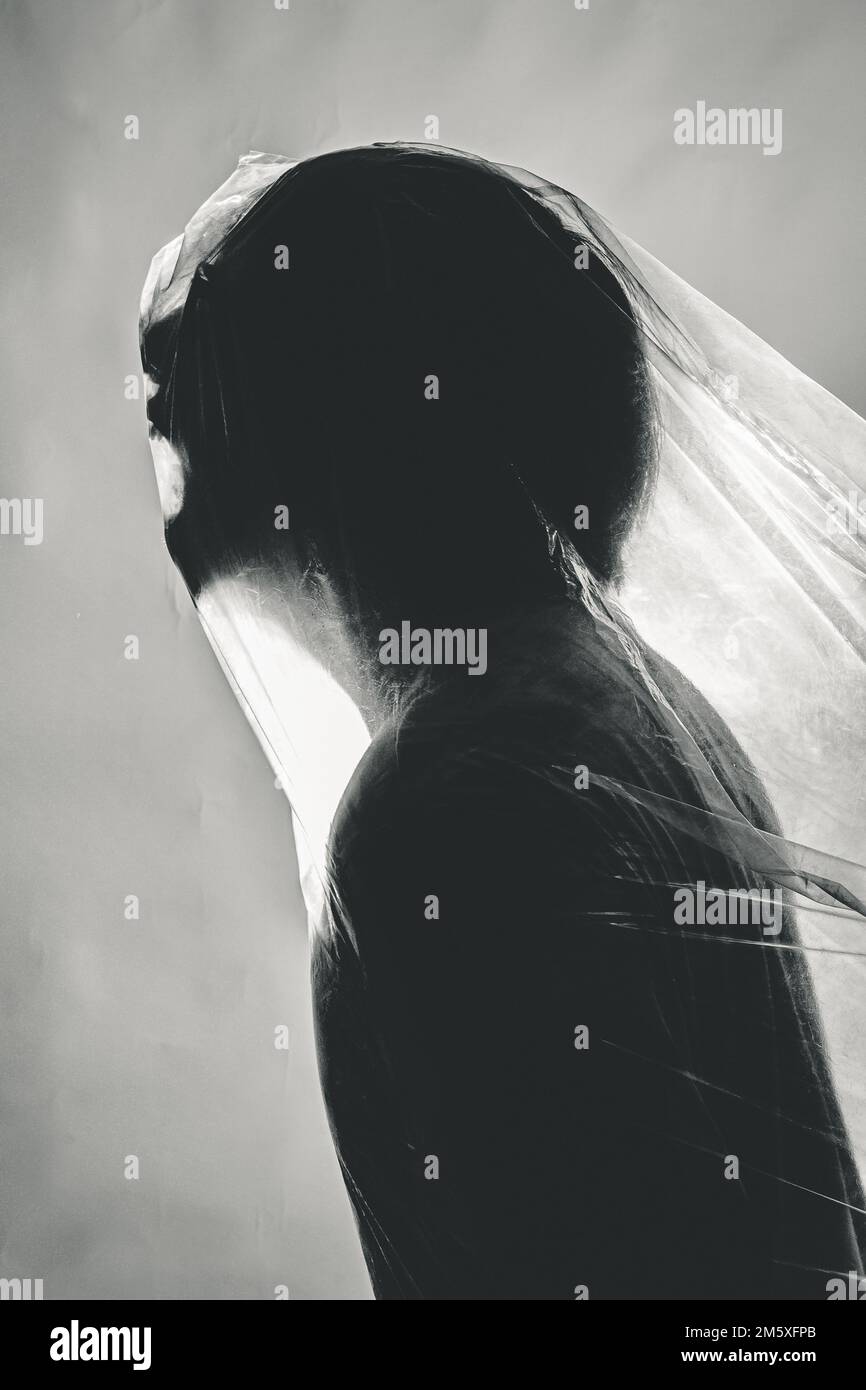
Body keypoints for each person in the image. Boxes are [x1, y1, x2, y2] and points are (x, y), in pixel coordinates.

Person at [141, 144, 866, 1299]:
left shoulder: (442, 803)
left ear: (338, 438)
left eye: (231, 395)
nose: (180, 449)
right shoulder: (628, 706)